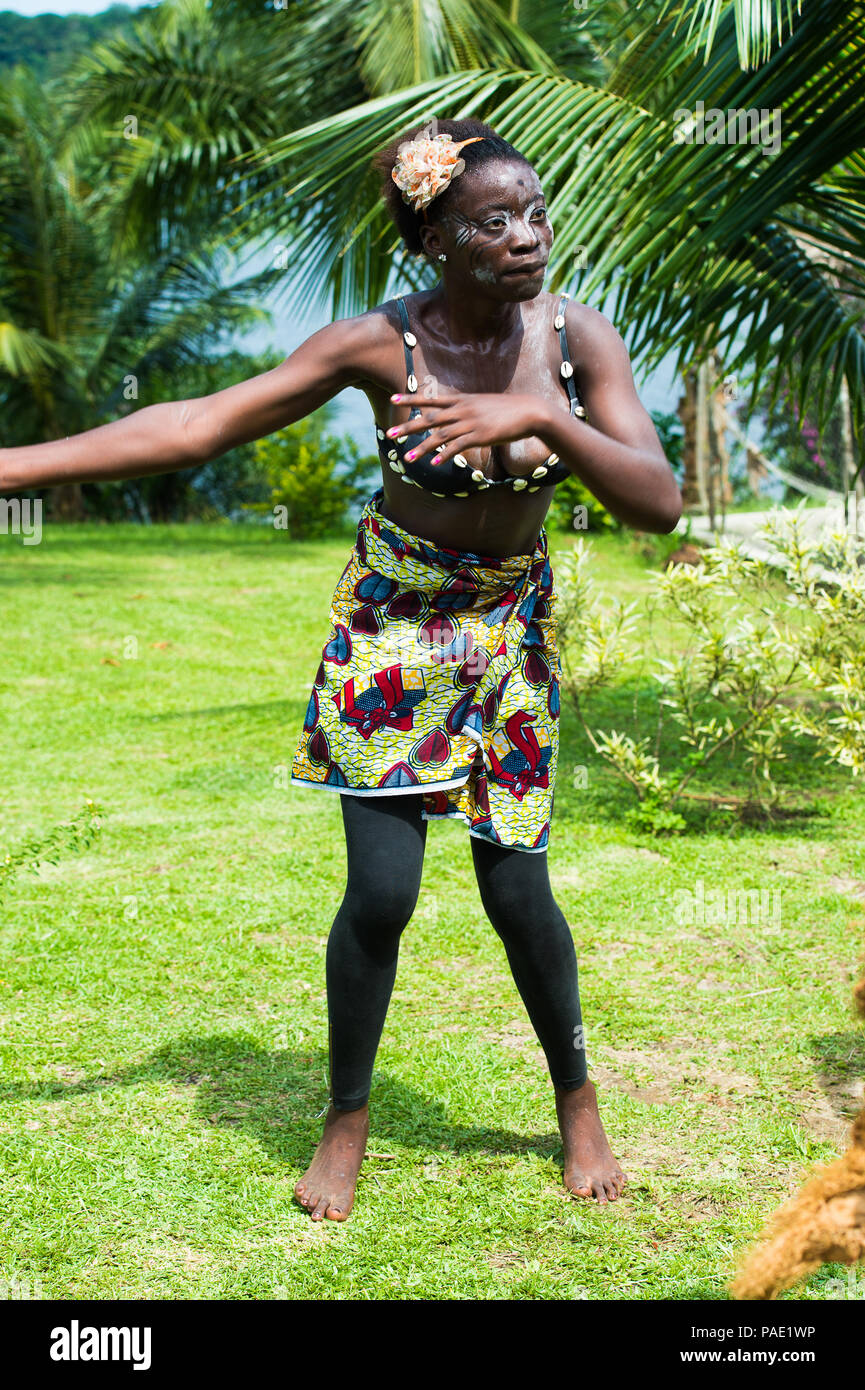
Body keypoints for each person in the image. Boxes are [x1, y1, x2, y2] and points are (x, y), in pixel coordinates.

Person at [0, 117, 682, 1224]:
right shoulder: (380, 344)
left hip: (505, 630)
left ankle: (577, 1099)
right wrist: (13, 467)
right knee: (381, 891)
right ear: (435, 243)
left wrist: (533, 414)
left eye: (534, 213)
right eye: (490, 222)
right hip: (394, 628)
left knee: (518, 889)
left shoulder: (573, 340)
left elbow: (655, 500)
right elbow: (196, 424)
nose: (524, 237)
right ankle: (346, 1117)